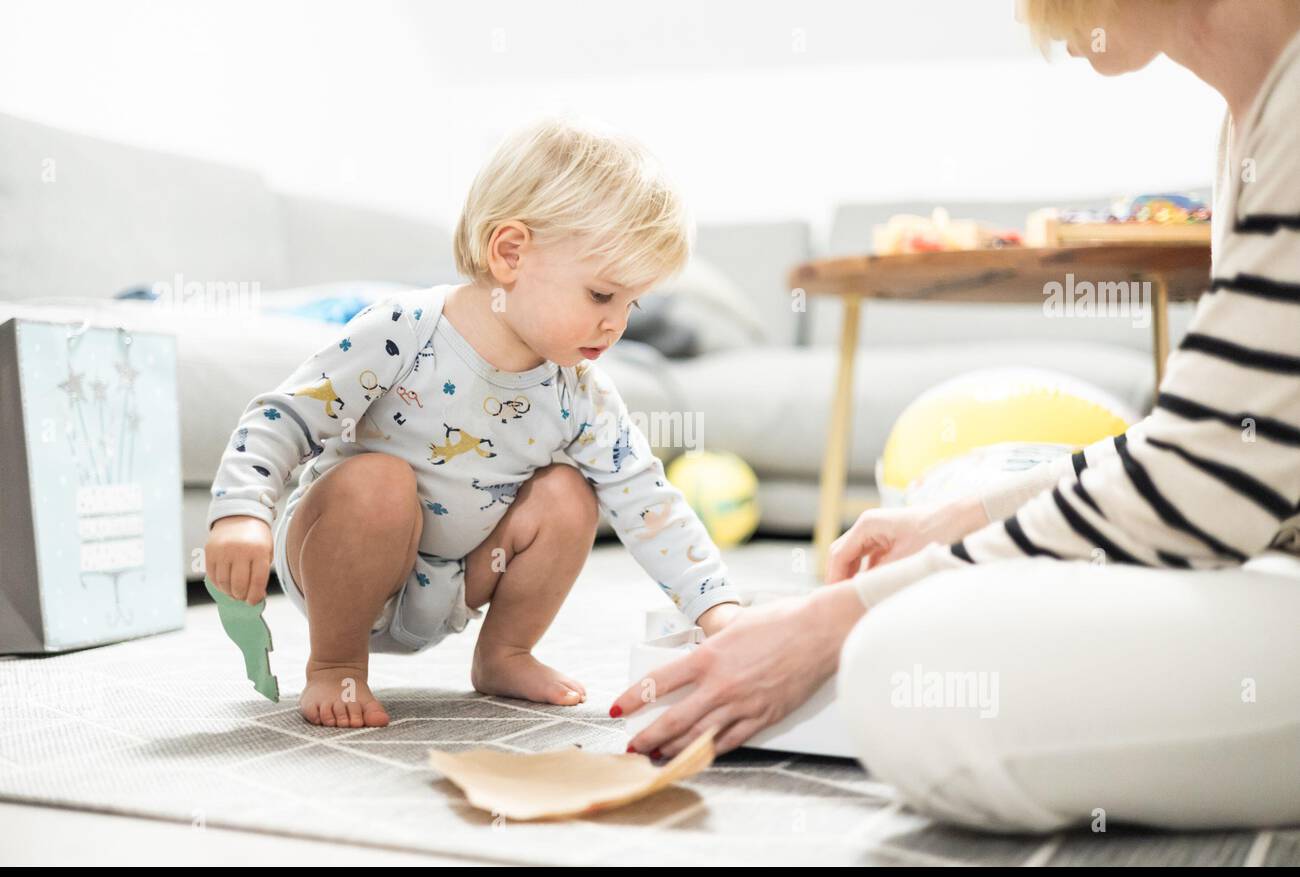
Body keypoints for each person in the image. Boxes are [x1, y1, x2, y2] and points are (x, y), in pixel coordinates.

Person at [612, 0, 1300, 832]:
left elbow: (1203, 486)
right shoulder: (1250, 125)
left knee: (903, 669)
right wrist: (956, 522)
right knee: (967, 502)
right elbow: (1222, 441)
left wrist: (840, 620)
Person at [205, 116, 742, 729]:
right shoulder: (405, 328)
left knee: (571, 493)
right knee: (379, 480)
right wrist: (241, 512)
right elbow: (286, 415)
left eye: (631, 304)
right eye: (601, 296)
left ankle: (505, 653)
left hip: (453, 586)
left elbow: (647, 496)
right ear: (510, 253)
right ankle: (335, 665)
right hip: (337, 568)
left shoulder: (579, 391)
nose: (617, 324)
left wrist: (716, 608)